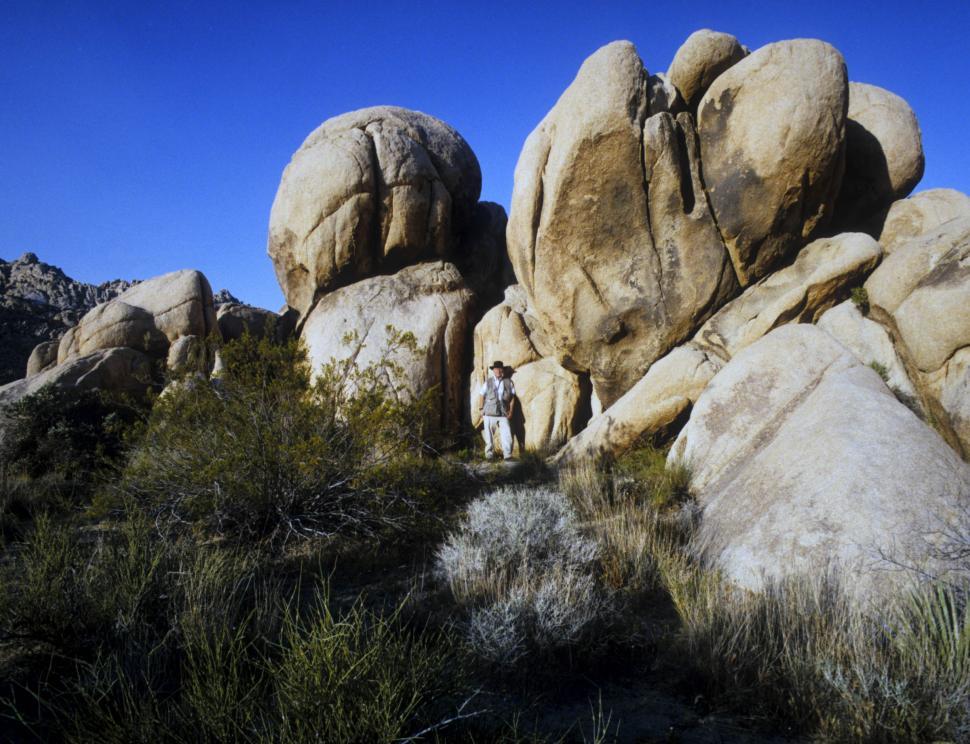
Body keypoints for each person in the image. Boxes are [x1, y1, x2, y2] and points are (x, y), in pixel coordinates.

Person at [478, 360, 516, 460]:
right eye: (496, 369)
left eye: (500, 369)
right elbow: (481, 395)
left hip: (503, 413)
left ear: (502, 370)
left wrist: (511, 411)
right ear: (493, 370)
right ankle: (489, 455)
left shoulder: (508, 382)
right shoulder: (488, 382)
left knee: (507, 434)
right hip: (489, 413)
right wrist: (481, 408)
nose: (498, 371)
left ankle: (507, 455)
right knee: (489, 437)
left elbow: (512, 398)